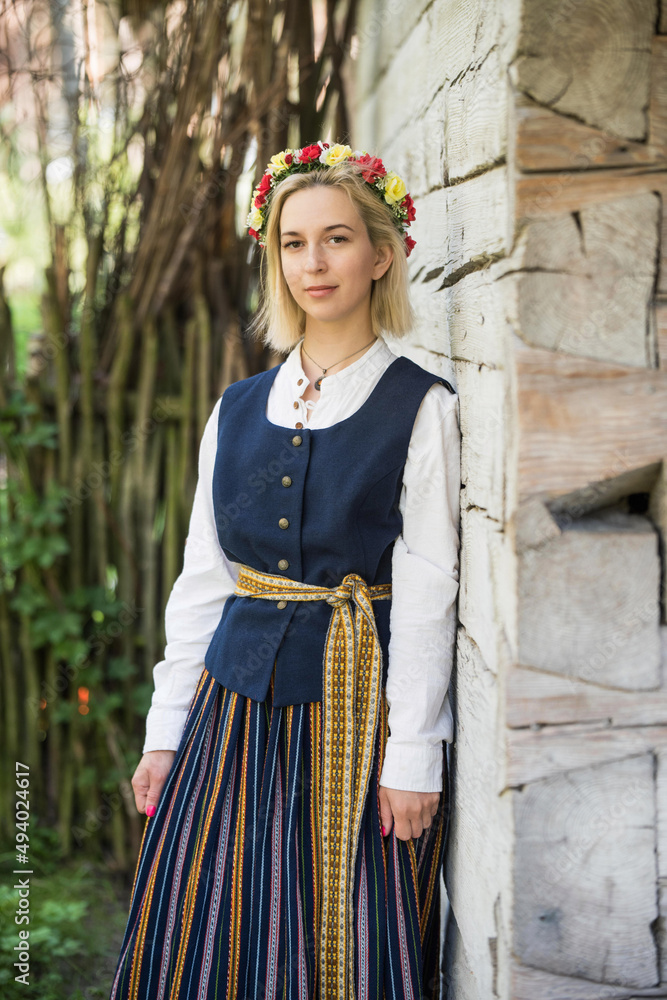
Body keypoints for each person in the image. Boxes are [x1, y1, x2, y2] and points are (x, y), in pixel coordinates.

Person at [108, 140, 461, 1000]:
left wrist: (412, 753)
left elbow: (426, 590)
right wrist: (165, 731)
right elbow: (205, 578)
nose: (315, 262)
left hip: (348, 716)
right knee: (211, 927)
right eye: (294, 242)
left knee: (332, 935)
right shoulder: (235, 408)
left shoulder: (421, 406)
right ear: (275, 258)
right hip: (228, 714)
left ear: (382, 254)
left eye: (338, 238)